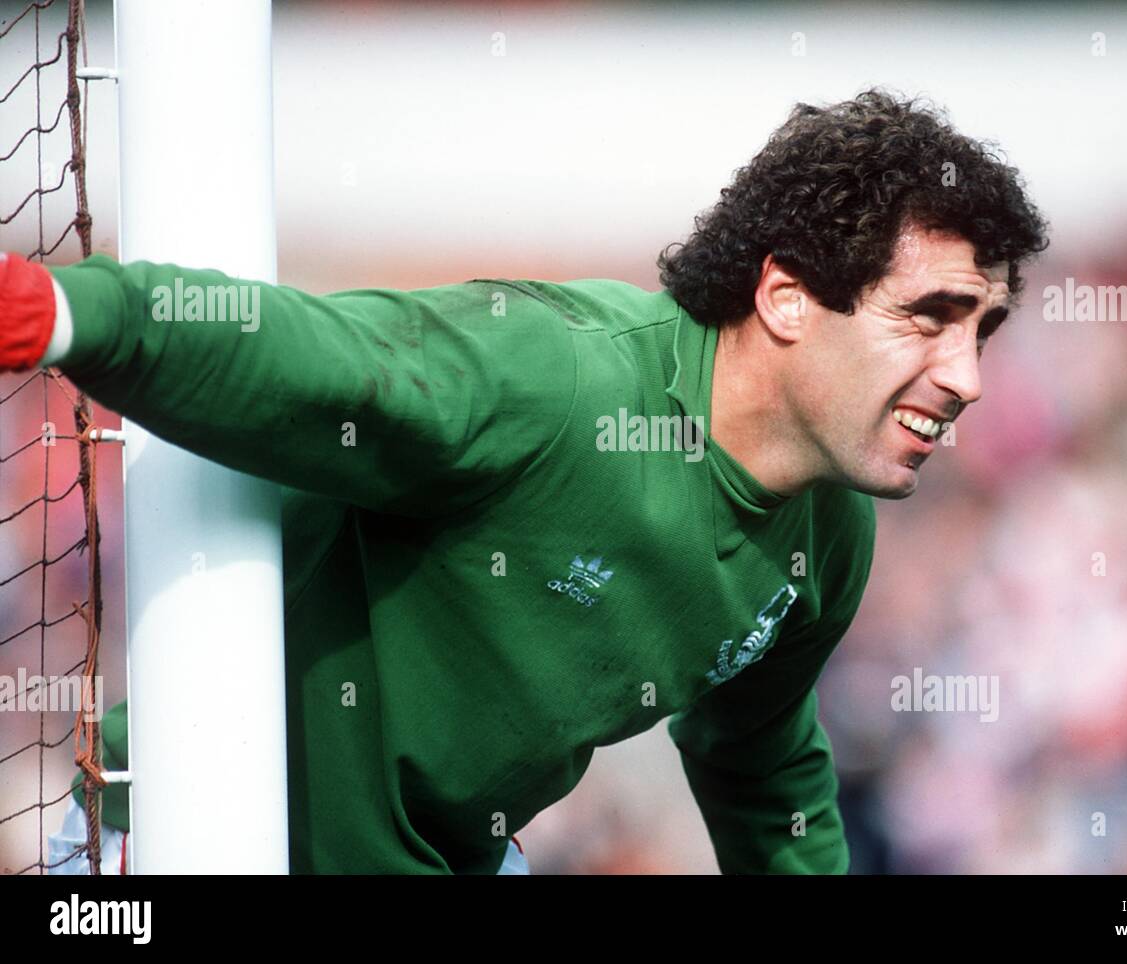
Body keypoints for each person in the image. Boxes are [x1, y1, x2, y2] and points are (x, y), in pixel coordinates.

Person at [0, 88, 1048, 874]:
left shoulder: (831, 529)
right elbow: (305, 355)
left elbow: (761, 758)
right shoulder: (559, 374)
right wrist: (65, 311)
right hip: (175, 842)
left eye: (984, 330)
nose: (966, 377)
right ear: (784, 296)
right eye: (931, 315)